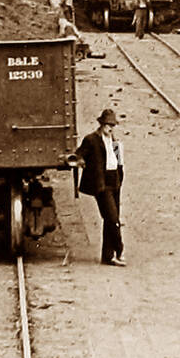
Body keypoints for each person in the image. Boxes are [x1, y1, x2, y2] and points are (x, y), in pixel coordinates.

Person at [75, 109, 125, 265]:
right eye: (108, 125)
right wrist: (83, 164)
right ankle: (119, 250)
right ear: (101, 124)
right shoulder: (91, 140)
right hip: (102, 185)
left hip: (115, 182)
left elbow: (119, 163)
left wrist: (120, 180)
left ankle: (107, 256)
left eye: (113, 125)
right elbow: (78, 155)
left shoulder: (115, 143)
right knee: (113, 219)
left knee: (109, 220)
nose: (111, 128)